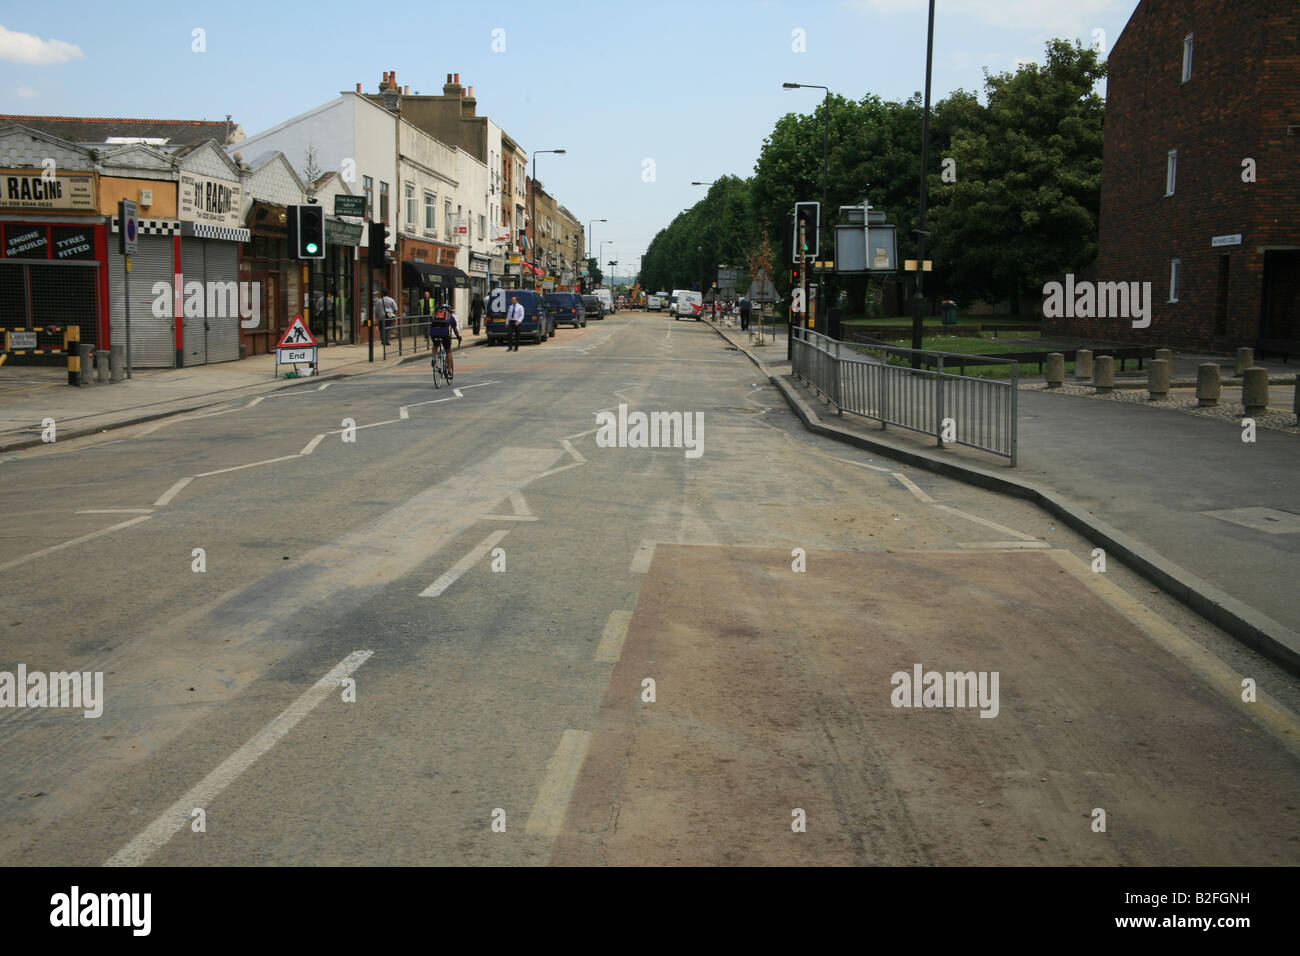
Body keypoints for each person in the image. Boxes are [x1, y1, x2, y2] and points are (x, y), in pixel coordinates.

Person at [429, 303, 457, 375]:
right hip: (444, 333)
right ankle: (449, 370)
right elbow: (454, 329)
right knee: (448, 351)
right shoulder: (450, 316)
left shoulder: (436, 313)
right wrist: (458, 336)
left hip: (433, 332)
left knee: (435, 345)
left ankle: (433, 358)